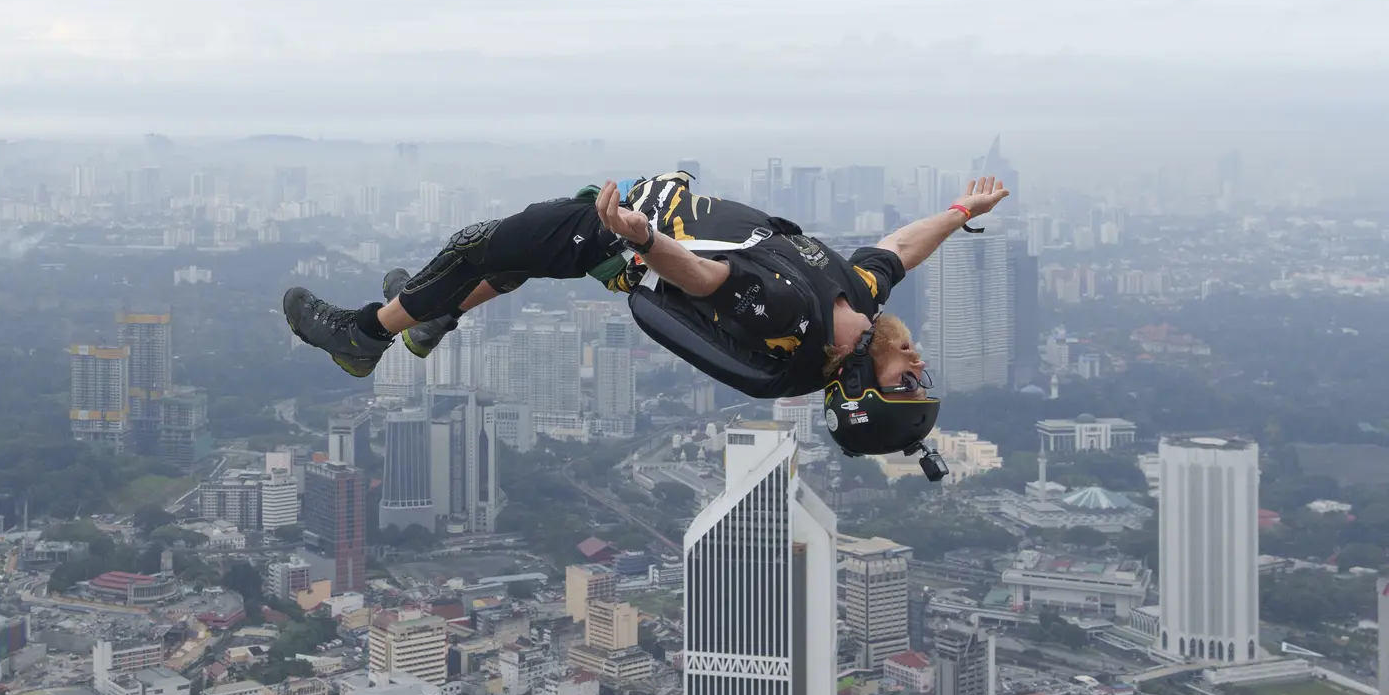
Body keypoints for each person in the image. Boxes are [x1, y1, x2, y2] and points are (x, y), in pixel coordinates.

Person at [282, 170, 1010, 476]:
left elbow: (707, 279)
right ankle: (432, 320)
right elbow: (900, 250)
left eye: (907, 381)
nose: (917, 362)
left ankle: (365, 336)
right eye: (922, 378)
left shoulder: (795, 324)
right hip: (635, 225)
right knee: (506, 263)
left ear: (859, 383)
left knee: (485, 243)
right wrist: (960, 213)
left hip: (624, 236)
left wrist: (637, 235)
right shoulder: (861, 297)